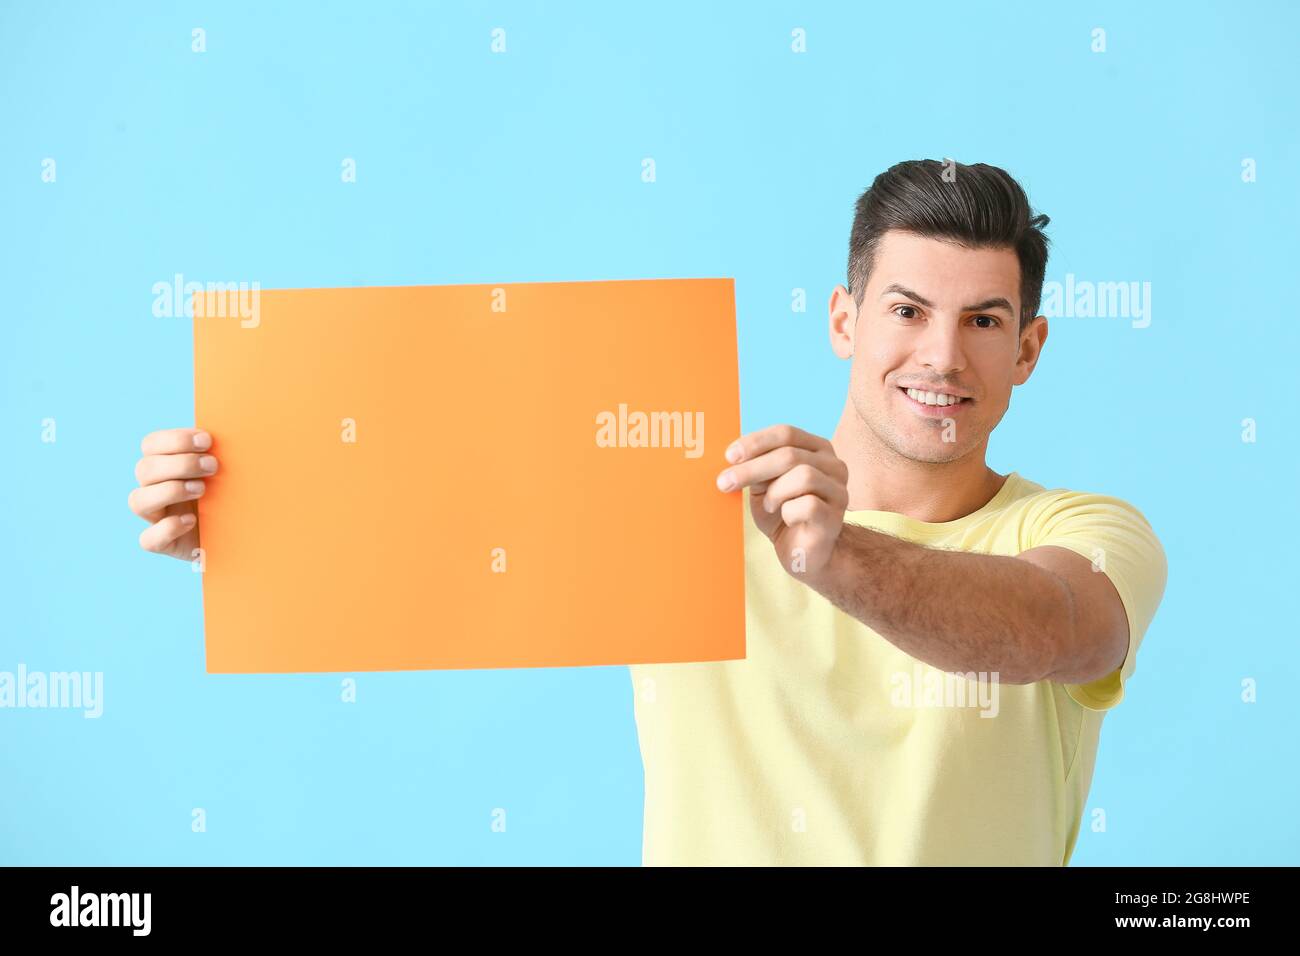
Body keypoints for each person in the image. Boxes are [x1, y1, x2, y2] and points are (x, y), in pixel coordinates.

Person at [130, 159, 1168, 866]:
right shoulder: (692, 498)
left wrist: (836, 559)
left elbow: (1055, 629)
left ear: (1027, 349)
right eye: (905, 310)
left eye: (983, 320)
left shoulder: (1083, 530)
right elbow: (445, 521)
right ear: (845, 319)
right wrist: (242, 517)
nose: (941, 357)